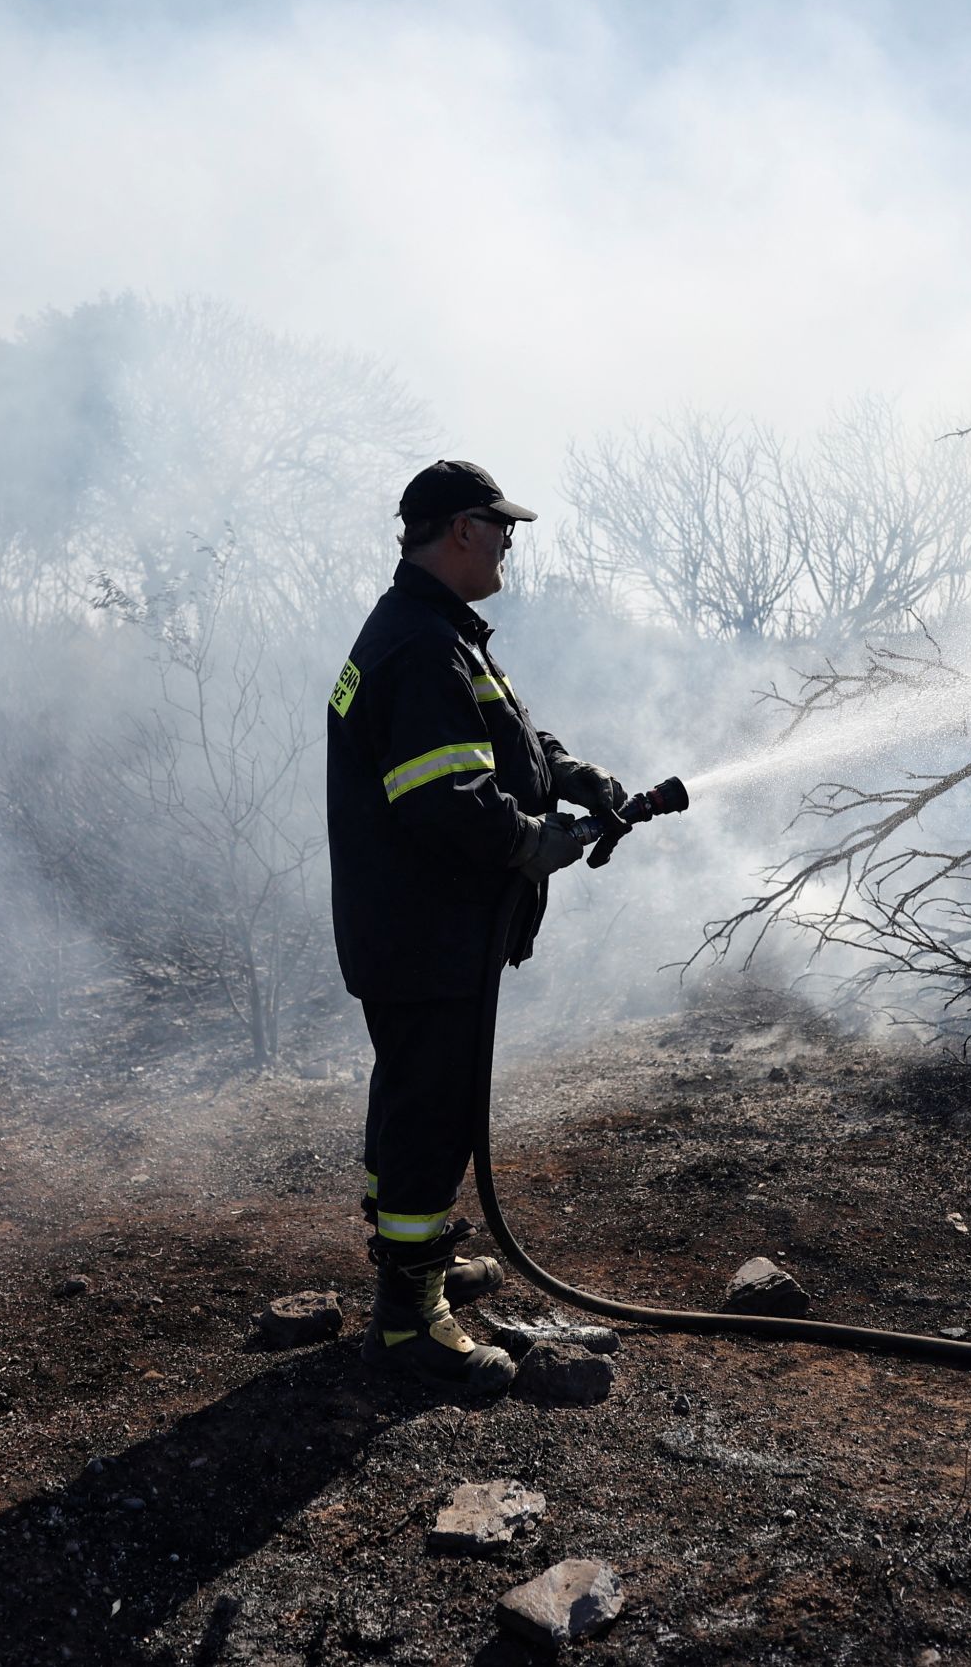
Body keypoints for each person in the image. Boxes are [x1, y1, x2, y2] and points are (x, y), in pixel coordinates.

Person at [324, 459, 626, 1392]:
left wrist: (572, 777)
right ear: (461, 529)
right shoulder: (421, 644)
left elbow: (500, 742)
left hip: (415, 930)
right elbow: (447, 800)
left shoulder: (435, 631)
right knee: (430, 1112)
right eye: (501, 529)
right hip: (428, 934)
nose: (508, 545)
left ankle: (411, 1265)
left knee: (411, 1096)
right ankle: (409, 1324)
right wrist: (536, 841)